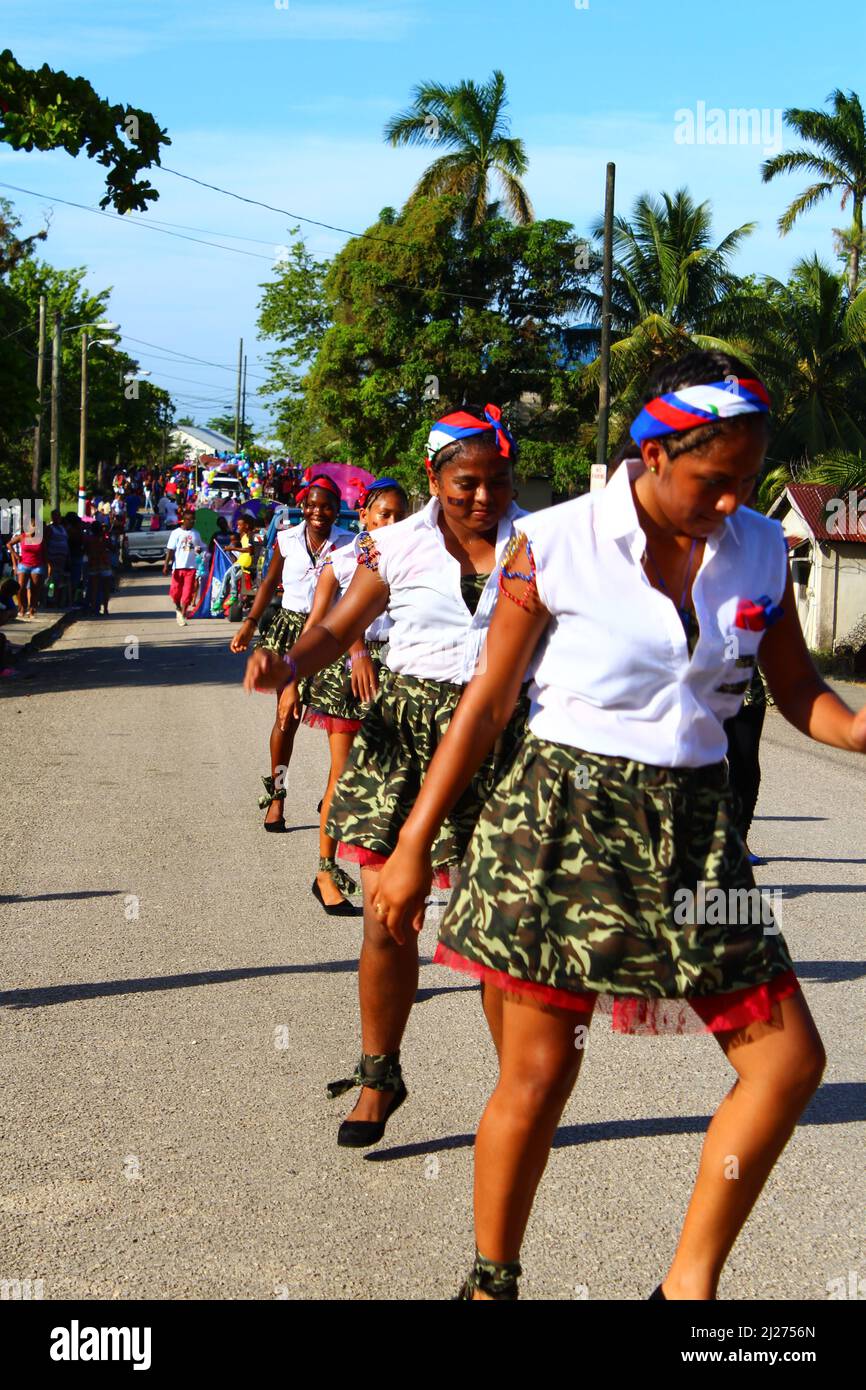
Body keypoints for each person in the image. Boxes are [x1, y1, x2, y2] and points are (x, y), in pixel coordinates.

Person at [371, 352, 866, 1302]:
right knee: (543, 1071)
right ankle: (491, 1280)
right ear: (652, 451)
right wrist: (408, 850)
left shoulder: (763, 547)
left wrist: (859, 727)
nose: (732, 505)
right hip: (561, 823)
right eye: (712, 483)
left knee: (789, 1061)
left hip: (697, 835)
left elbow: (798, 690)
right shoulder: (552, 543)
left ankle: (687, 1289)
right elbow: (486, 703)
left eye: (748, 483)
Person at [243, 405, 528, 1147]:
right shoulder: (393, 545)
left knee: (496, 932)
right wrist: (290, 664)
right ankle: (379, 1076)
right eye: (467, 482)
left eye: (498, 483)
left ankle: (515, 1096)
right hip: (405, 734)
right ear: (436, 477)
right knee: (387, 919)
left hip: (502, 737)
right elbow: (338, 629)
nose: (483, 498)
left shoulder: (540, 542)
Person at [296, 478, 409, 913]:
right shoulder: (342, 561)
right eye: (384, 514)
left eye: (400, 515)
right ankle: (325, 872)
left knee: (395, 776)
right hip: (348, 674)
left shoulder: (416, 559)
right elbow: (319, 625)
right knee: (342, 776)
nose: (392, 523)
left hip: (397, 675)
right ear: (363, 516)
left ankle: (385, 868)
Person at [230, 475, 353, 831]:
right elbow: (269, 583)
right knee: (287, 718)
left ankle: (334, 793)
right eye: (312, 505)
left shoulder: (349, 543)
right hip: (290, 631)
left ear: (336, 509)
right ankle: (277, 797)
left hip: (332, 633)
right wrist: (250, 622)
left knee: (341, 722)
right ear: (303, 506)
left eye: (326, 505)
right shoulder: (286, 539)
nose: (318, 512)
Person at [163, 509, 205, 626]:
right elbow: (170, 550)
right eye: (190, 520)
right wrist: (166, 565)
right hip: (178, 567)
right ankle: (177, 607)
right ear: (184, 520)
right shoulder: (175, 533)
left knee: (187, 594)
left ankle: (182, 614)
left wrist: (200, 550)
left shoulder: (196, 533)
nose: (192, 522)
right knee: (175, 593)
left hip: (191, 568)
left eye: (194, 520)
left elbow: (200, 547)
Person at [10, 514, 47, 619]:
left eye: (35, 526)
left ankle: (32, 610)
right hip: (23, 565)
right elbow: (9, 544)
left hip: (37, 566)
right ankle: (22, 607)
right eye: (32, 526)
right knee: (20, 588)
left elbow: (45, 553)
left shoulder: (40, 539)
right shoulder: (22, 536)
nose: (34, 528)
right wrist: (16, 556)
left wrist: (48, 566)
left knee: (35, 589)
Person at [84, 520, 113, 616]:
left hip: (93, 564)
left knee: (94, 588)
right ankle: (105, 609)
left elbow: (86, 550)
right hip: (104, 564)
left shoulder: (89, 539)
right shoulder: (104, 538)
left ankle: (93, 609)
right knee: (106, 588)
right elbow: (112, 548)